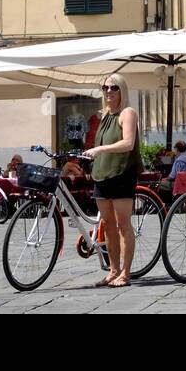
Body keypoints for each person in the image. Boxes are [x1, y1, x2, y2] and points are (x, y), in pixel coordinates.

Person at [82, 73, 141, 288]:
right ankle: (113, 270)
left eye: (113, 87)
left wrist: (100, 149)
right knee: (108, 226)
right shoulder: (105, 115)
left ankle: (125, 273)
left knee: (123, 224)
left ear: (121, 90)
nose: (108, 91)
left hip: (122, 172)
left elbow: (128, 143)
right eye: (105, 87)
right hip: (102, 174)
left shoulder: (128, 113)